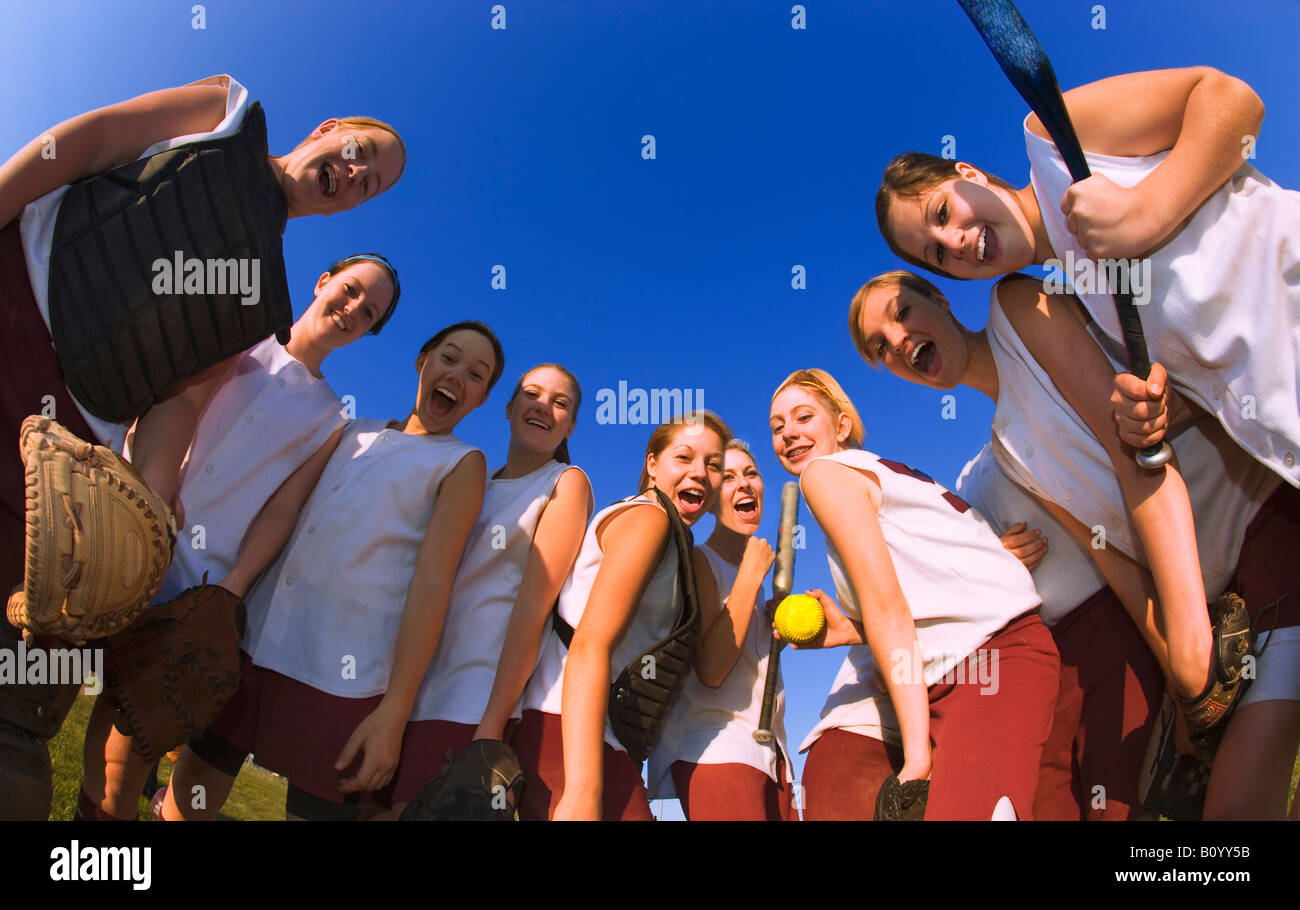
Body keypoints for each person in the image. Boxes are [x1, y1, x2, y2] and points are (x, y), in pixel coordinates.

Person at [850, 270, 1296, 818]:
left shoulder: (1021, 311)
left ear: (940, 298)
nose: (897, 341)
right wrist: (1184, 683)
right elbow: (1109, 555)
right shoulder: (1009, 452)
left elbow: (1172, 368)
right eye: (880, 347)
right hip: (1215, 590)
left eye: (901, 314)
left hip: (1265, 516)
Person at [71, 253, 399, 822]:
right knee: (42, 695)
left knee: (118, 766)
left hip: (188, 587)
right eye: (349, 291)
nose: (351, 310)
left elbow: (283, 509)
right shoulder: (239, 339)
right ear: (323, 281)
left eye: (369, 312)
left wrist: (231, 589)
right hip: (115, 529)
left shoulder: (330, 420)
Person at [159, 322, 500, 821]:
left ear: (482, 399)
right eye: (449, 358)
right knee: (185, 804)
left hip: (344, 679)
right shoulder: (347, 429)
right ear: (421, 362)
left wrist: (393, 711)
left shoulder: (463, 462)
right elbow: (284, 509)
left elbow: (432, 584)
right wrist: (227, 600)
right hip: (252, 644)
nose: (458, 375)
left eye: (477, 374)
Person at [770, 368, 1058, 820]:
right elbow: (921, 597)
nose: (788, 433)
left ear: (841, 425)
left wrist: (917, 757)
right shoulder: (882, 473)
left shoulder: (824, 475)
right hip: (976, 664)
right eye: (777, 427)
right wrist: (853, 628)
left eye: (803, 417)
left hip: (988, 660)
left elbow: (889, 609)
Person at [384, 364, 593, 816]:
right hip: (406, 685)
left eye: (560, 403)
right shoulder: (472, 476)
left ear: (572, 425)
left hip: (470, 701)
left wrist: (491, 726)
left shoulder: (564, 482)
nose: (543, 407)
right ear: (509, 407)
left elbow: (532, 609)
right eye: (532, 394)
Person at [513, 411, 731, 821]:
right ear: (652, 464)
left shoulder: (667, 534)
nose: (700, 473)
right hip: (568, 736)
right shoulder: (649, 519)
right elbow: (589, 645)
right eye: (684, 458)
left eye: (713, 464)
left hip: (592, 738)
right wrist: (581, 792)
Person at [955, 442, 1164, 820]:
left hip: (1110, 617)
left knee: (1119, 796)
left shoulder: (1038, 424)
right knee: (1050, 801)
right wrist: (991, 560)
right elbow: (966, 577)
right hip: (1033, 656)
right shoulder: (965, 480)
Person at [647, 439, 796, 820]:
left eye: (751, 474)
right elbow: (712, 669)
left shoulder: (758, 585)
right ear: (710, 500)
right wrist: (748, 578)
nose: (744, 484)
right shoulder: (700, 560)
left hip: (770, 755)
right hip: (716, 747)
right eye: (727, 478)